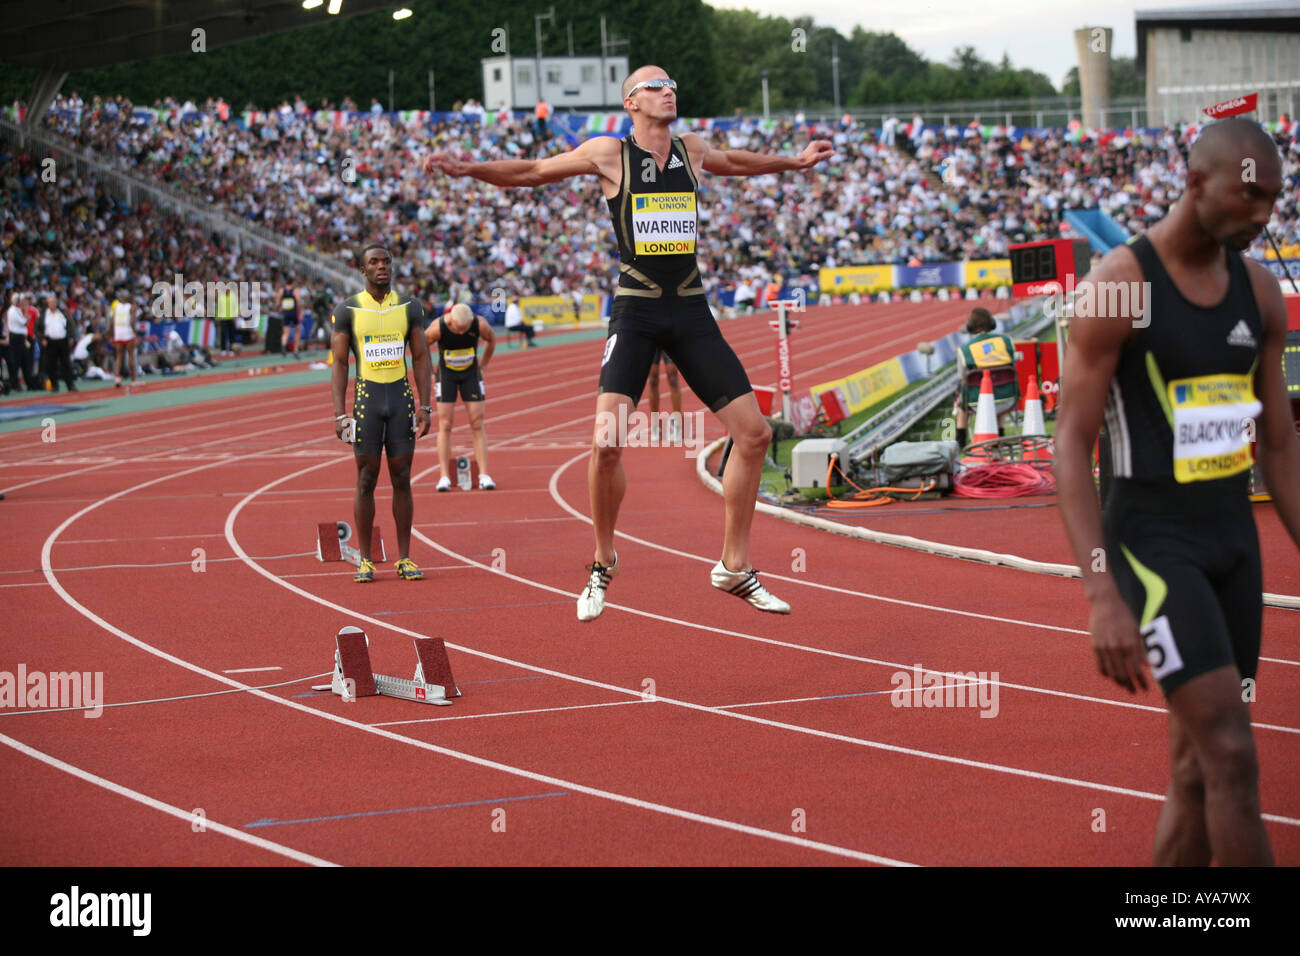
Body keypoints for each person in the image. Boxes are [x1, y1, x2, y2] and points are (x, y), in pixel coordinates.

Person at [424, 65, 832, 621]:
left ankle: (734, 567)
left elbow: (738, 163)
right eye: (657, 86)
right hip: (637, 310)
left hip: (689, 307)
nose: (670, 92)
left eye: (673, 86)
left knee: (755, 433)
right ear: (631, 101)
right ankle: (602, 561)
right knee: (607, 443)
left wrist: (795, 161)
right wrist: (468, 169)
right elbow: (534, 170)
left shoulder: (692, 148)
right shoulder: (607, 153)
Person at [1055, 117, 1300, 865]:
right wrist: (1102, 594)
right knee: (1232, 754)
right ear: (1195, 184)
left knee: (1196, 769)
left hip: (1233, 546)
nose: (1262, 217)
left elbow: (1280, 444)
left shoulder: (1258, 291)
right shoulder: (1120, 286)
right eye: (1248, 200)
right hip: (1153, 549)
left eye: (1273, 203)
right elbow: (1069, 444)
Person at [330, 244, 434, 583]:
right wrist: (338, 413)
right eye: (373, 262)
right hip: (367, 404)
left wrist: (425, 405)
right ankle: (365, 559)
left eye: (386, 261)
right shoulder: (347, 310)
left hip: (401, 402)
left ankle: (404, 557)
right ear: (362, 270)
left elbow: (420, 357)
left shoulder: (409, 307)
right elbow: (341, 363)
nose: (381, 267)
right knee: (366, 479)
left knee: (402, 478)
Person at [425, 303, 496, 491]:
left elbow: (491, 339)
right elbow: (421, 346)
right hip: (446, 375)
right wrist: (431, 373)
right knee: (445, 424)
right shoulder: (437, 327)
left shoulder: (479, 325)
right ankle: (444, 477)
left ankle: (484, 475)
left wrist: (484, 365)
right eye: (459, 329)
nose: (462, 332)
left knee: (477, 422)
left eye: (466, 329)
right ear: (451, 321)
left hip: (471, 374)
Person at [952, 306, 1018, 446]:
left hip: (977, 404)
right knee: (1000, 385)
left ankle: (961, 441)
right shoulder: (1006, 341)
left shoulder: (965, 349)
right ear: (992, 323)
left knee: (961, 398)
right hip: (1008, 399)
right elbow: (1012, 365)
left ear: (970, 326)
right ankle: (1000, 435)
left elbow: (962, 376)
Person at [646, 348, 682, 444]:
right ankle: (655, 425)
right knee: (652, 379)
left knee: (673, 377)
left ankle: (677, 425)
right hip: (653, 338)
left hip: (668, 335)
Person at [41, 295, 77, 392]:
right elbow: (38, 328)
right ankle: (54, 385)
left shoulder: (62, 312)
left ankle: (70, 385)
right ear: (48, 304)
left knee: (66, 363)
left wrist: (70, 337)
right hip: (51, 342)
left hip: (62, 341)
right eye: (50, 302)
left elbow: (70, 324)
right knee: (51, 365)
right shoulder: (44, 314)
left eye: (53, 302)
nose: (52, 304)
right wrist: (42, 339)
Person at [107, 288, 138, 386]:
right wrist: (135, 333)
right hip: (128, 333)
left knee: (119, 357)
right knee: (130, 356)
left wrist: (111, 335)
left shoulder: (117, 307)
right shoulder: (131, 307)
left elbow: (112, 322)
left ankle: (117, 378)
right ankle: (133, 380)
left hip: (118, 334)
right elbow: (132, 322)